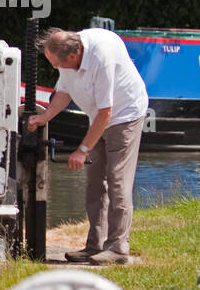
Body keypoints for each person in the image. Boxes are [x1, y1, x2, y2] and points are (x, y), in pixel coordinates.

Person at [25, 27, 149, 264]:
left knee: (117, 180)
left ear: (72, 57)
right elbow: (63, 92)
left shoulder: (101, 59)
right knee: (94, 183)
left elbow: (107, 112)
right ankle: (94, 245)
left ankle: (118, 249)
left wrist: (82, 150)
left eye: (54, 64)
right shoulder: (67, 54)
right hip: (98, 116)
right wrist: (45, 117)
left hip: (125, 115)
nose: (53, 68)